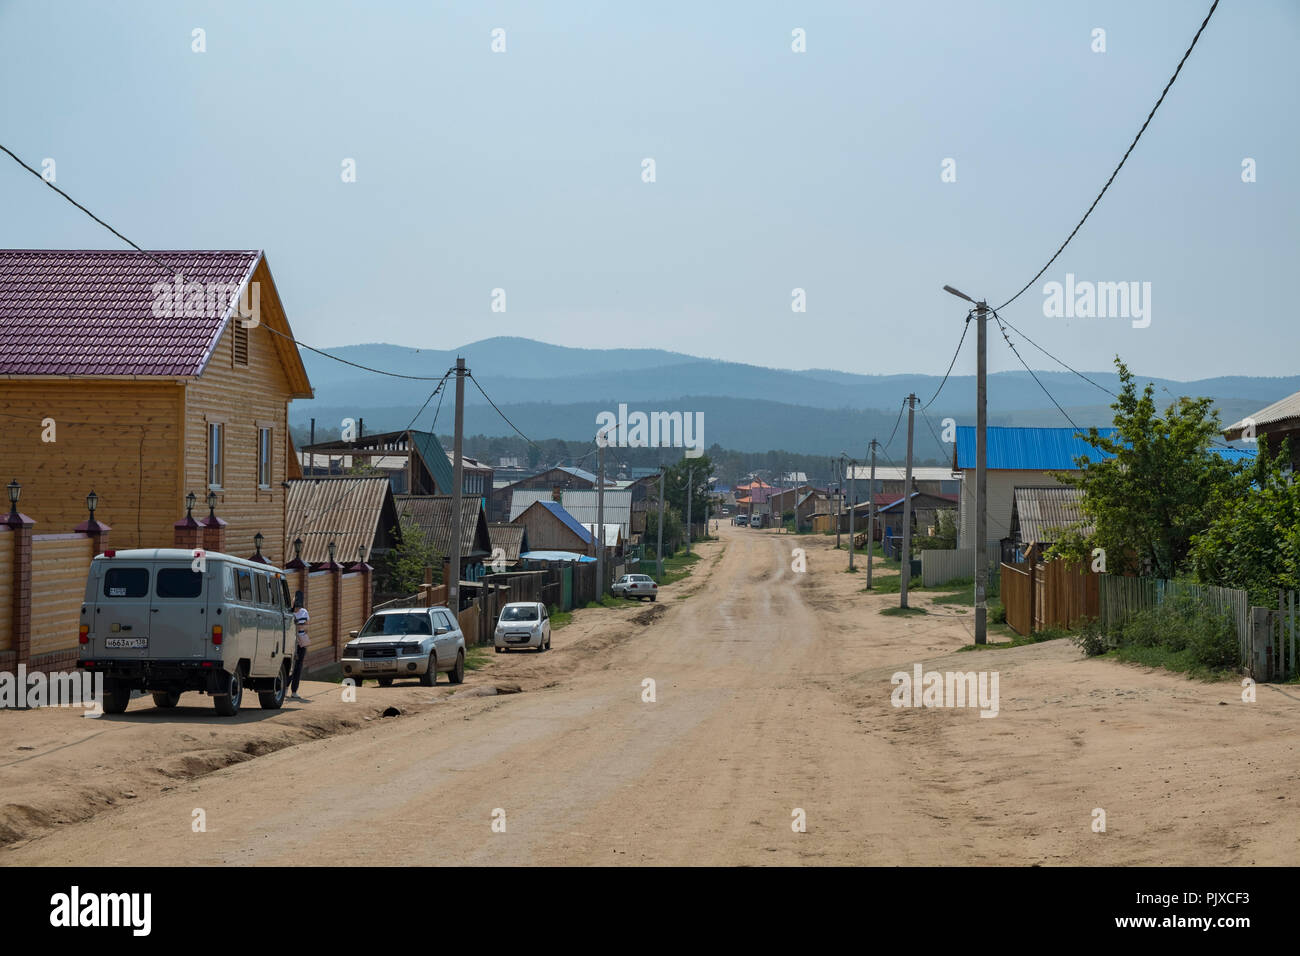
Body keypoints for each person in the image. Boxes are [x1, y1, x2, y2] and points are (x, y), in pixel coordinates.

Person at [288, 591, 310, 702]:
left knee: (298, 667)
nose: (297, 609)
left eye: (299, 607)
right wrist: (298, 628)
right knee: (290, 666)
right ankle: (283, 687)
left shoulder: (304, 612)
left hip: (301, 643)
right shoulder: (289, 612)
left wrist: (299, 627)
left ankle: (294, 691)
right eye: (295, 607)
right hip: (290, 643)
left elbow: (307, 627)